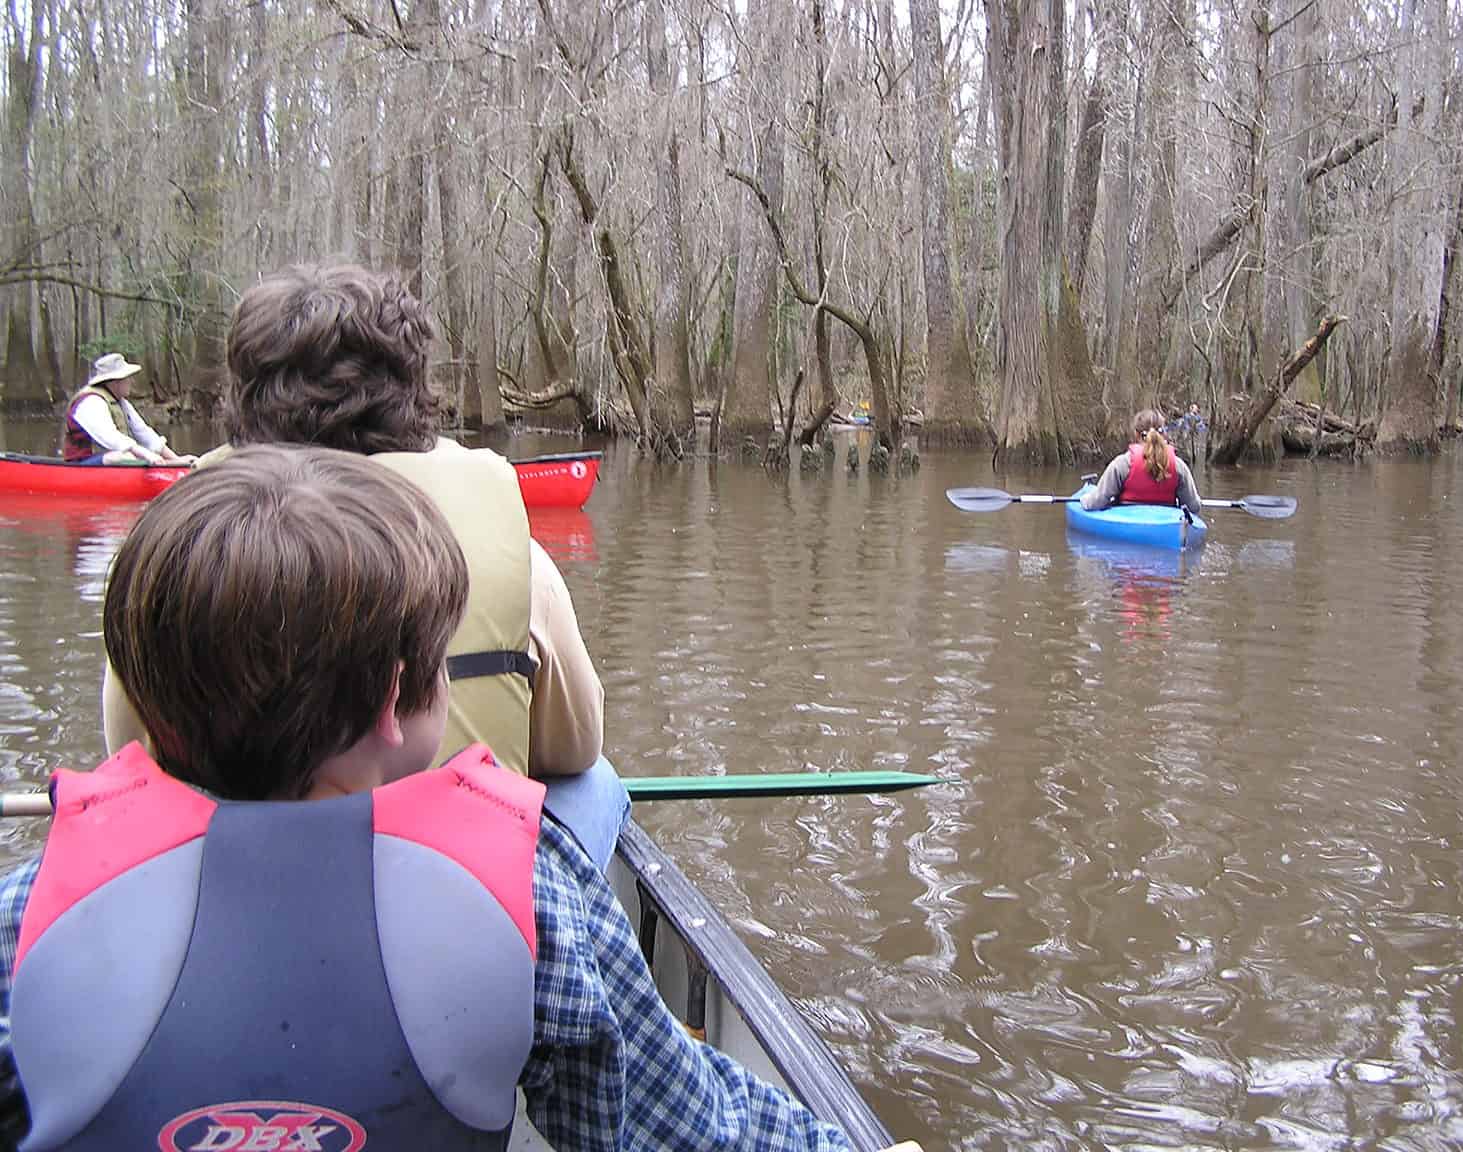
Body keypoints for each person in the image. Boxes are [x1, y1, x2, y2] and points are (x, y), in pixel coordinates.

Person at [0, 445, 858, 1152]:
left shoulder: (26, 918)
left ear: (150, 707)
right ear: (393, 702)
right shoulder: (529, 895)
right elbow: (679, 1128)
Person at [101, 264, 601, 782]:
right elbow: (575, 746)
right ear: (412, 388)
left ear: (245, 396)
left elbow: (127, 747)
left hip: (225, 852)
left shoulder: (173, 559)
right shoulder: (519, 562)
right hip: (450, 848)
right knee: (594, 785)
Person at [58, 353, 195, 466]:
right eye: (127, 378)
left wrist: (176, 460)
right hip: (80, 464)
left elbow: (143, 432)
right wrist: (146, 454)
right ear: (115, 382)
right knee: (123, 457)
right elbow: (111, 437)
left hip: (109, 459)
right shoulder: (90, 403)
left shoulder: (121, 402)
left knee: (127, 456)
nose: (131, 382)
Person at [1080, 407, 1203, 514]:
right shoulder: (1178, 466)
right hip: (1165, 526)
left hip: (1128, 525)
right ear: (1164, 434)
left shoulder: (1122, 464)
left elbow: (1097, 501)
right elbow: (1193, 507)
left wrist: (1083, 500)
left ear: (1136, 434)